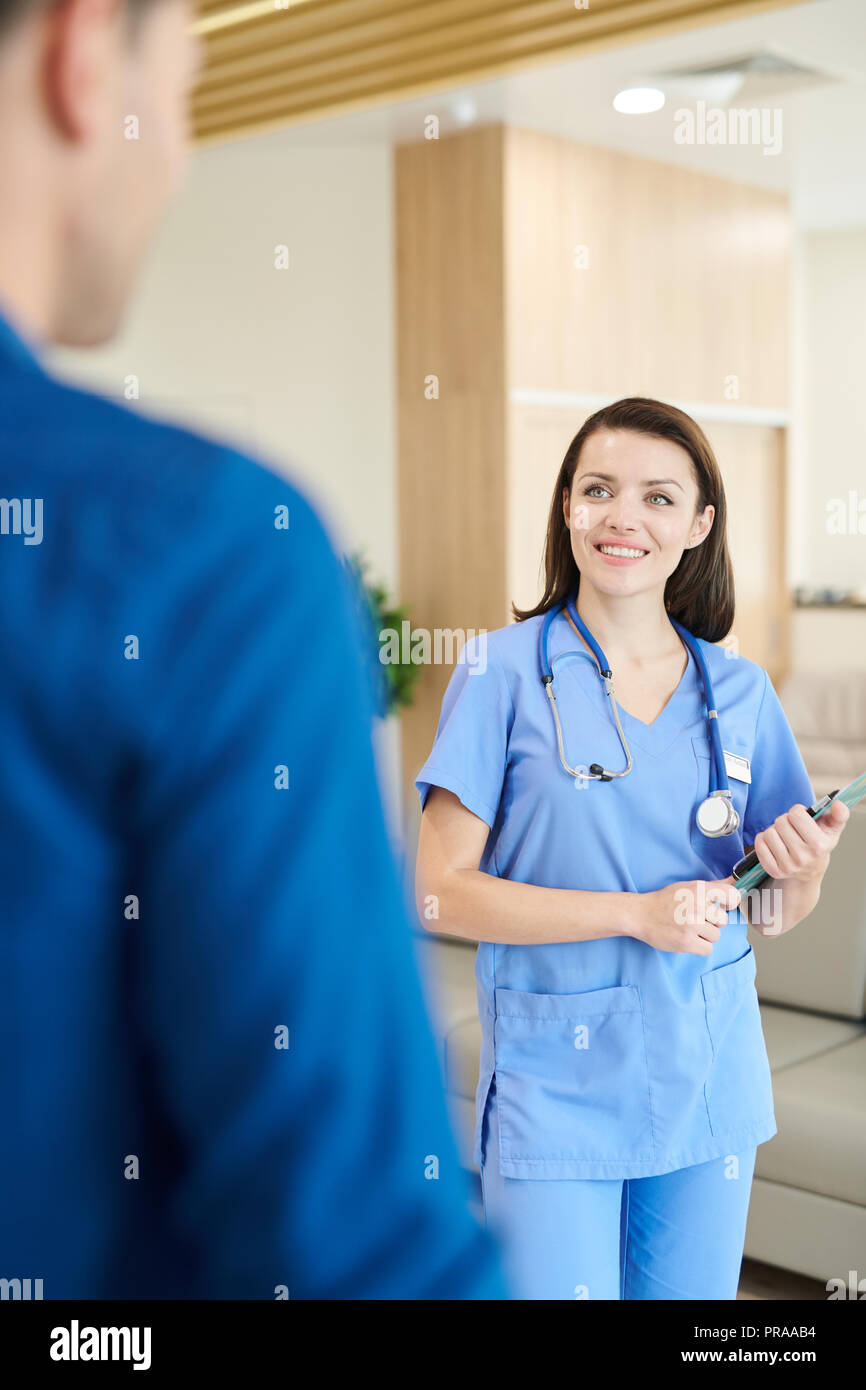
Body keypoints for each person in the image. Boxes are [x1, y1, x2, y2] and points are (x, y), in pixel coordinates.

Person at [0, 0, 504, 1299]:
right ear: (78, 53)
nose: (174, 151)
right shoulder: (199, 551)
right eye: (186, 83)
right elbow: (352, 1251)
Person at [414, 397, 849, 1301]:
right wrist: (634, 915)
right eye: (599, 490)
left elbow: (771, 911)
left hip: (710, 1078)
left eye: (658, 498)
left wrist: (803, 873)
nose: (623, 517)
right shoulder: (499, 672)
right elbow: (439, 891)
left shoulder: (739, 690)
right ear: (567, 509)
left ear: (698, 525)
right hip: (555, 1087)